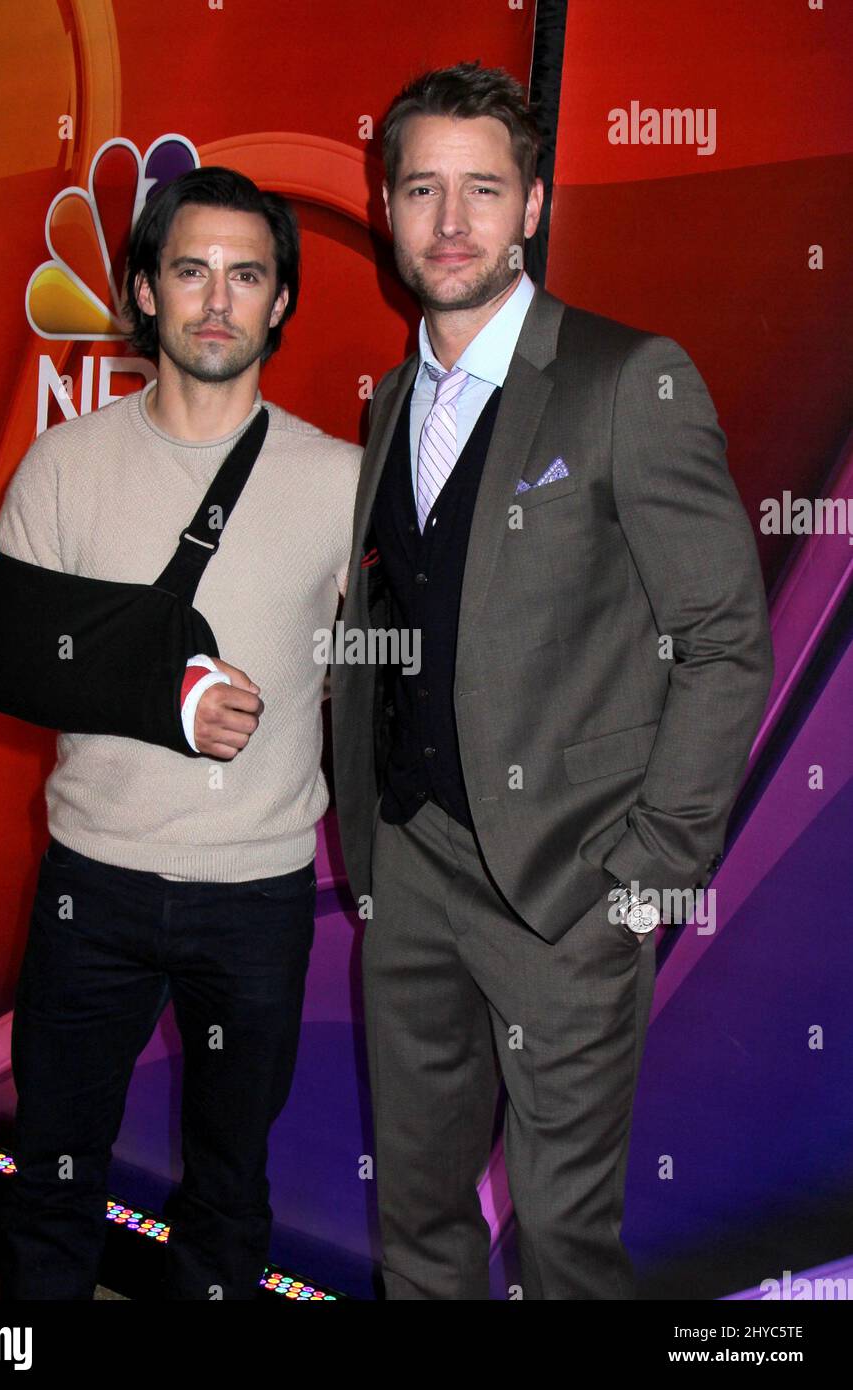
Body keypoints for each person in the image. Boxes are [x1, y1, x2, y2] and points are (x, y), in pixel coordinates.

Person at [330, 61, 774, 1300]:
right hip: (407, 867)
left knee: (569, 1250)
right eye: (424, 189)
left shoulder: (631, 379)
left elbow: (727, 641)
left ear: (534, 206)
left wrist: (646, 881)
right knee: (419, 1228)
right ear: (385, 206)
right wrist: (368, 839)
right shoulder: (392, 401)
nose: (453, 221)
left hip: (571, 889)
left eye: (485, 188)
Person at [0, 166, 360, 1299]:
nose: (216, 300)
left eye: (248, 275)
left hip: (256, 895)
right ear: (143, 289)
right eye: (190, 269)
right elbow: (6, 665)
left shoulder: (343, 483)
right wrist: (171, 696)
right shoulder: (65, 461)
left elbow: (391, 681)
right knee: (51, 1176)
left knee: (228, 1189)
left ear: (282, 303)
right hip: (89, 884)